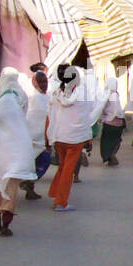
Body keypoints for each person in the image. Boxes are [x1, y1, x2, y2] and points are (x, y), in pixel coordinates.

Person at [0, 71, 37, 236]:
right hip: (14, 161)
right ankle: (5, 225)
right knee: (10, 192)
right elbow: (24, 134)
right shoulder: (19, 104)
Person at [48, 65, 100, 212]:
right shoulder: (83, 93)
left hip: (59, 136)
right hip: (75, 138)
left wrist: (51, 135)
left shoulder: (57, 92)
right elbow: (88, 116)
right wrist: (88, 137)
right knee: (68, 170)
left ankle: (55, 192)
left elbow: (51, 114)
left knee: (63, 166)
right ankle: (61, 202)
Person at [22, 70, 52, 200]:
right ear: (34, 83)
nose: (44, 84)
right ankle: (28, 186)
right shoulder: (32, 98)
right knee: (34, 163)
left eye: (45, 81)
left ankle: (29, 186)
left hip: (43, 137)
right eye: (41, 82)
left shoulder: (47, 98)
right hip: (32, 137)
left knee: (38, 163)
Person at [99, 75, 126, 167]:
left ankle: (108, 156)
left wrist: (109, 116)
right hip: (117, 122)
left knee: (106, 141)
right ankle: (112, 155)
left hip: (109, 121)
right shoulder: (115, 94)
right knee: (115, 140)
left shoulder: (107, 94)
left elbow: (113, 109)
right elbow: (118, 109)